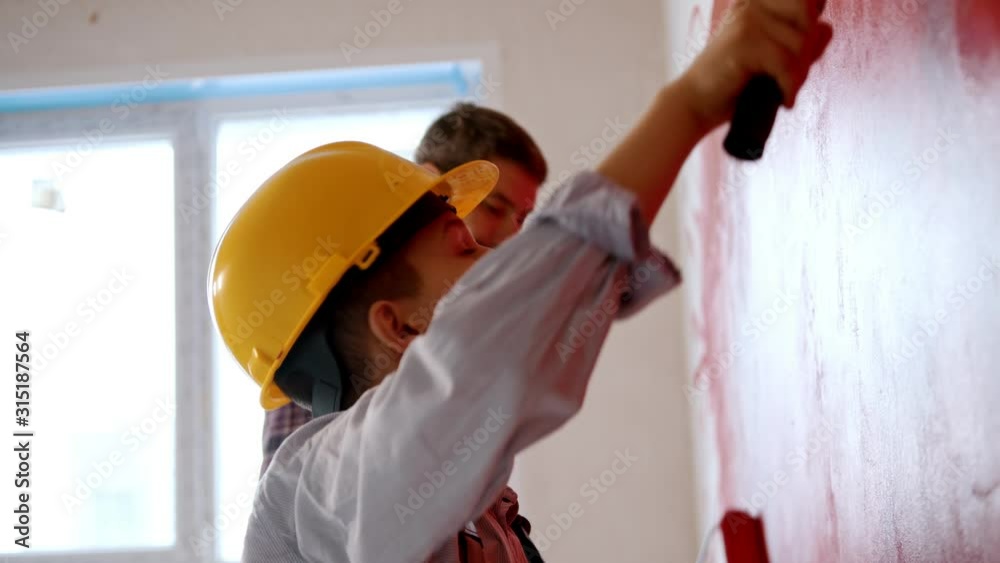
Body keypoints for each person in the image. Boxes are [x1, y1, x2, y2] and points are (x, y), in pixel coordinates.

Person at [209, 1, 833, 560]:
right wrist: (689, 103)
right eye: (466, 248)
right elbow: (482, 355)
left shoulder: (472, 504)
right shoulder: (311, 490)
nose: (496, 252)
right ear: (396, 325)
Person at [259, 103, 548, 475]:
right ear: (429, 188)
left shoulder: (461, 345)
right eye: (493, 207)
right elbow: (296, 508)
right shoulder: (337, 343)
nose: (511, 238)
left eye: (522, 219)